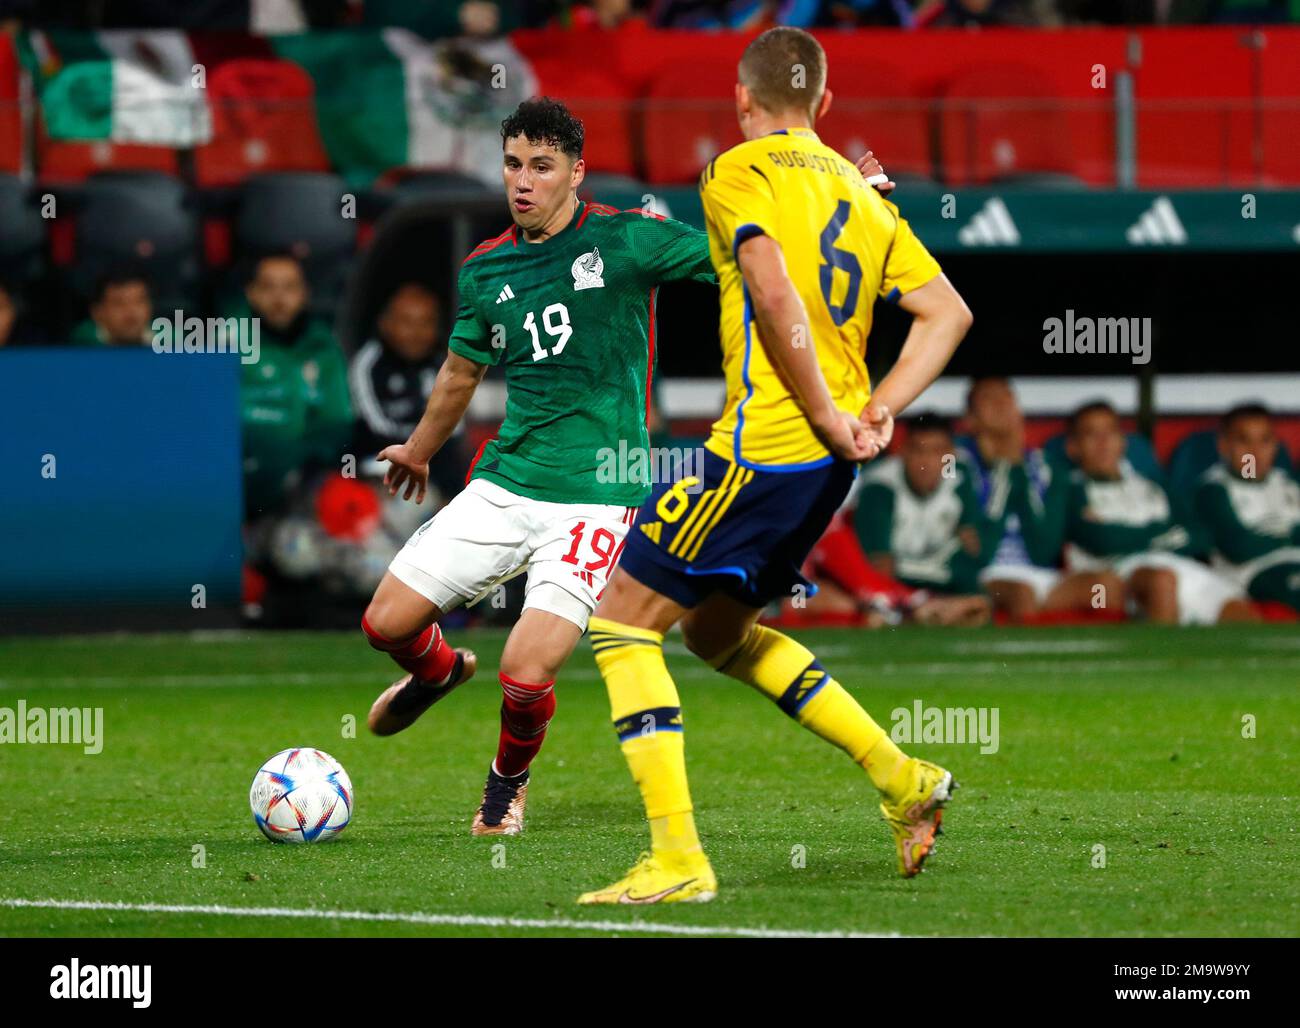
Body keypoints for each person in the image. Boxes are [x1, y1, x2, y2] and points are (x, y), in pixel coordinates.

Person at [579, 27, 972, 905]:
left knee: (618, 623)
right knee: (714, 634)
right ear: (825, 105)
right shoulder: (868, 198)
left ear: (740, 97)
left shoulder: (737, 170)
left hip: (766, 445)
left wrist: (832, 414)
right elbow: (947, 315)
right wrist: (877, 408)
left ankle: (678, 860)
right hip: (826, 464)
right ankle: (904, 778)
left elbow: (771, 285)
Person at [1059, 401, 1256, 624]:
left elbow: (1200, 536)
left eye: (1111, 432)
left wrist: (1131, 535)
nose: (1104, 443)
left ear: (1123, 441)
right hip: (1113, 576)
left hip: (1178, 566)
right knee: (1161, 581)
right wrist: (1164, 534)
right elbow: (1102, 540)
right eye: (1091, 434)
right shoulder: (1070, 488)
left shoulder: (1152, 486)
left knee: (1238, 609)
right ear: (1073, 447)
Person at [957, 376, 1123, 620]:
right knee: (1023, 595)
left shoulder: (1046, 467)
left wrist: (1016, 469)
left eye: (1007, 398)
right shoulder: (957, 464)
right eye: (989, 399)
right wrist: (1005, 469)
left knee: (1105, 588)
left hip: (1041, 576)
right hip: (986, 577)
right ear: (970, 420)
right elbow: (980, 551)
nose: (1001, 405)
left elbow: (1043, 550)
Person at [234, 252, 353, 516]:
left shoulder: (324, 349)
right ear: (251, 293)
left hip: (304, 486)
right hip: (235, 482)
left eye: (289, 287)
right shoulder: (226, 345)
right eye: (268, 287)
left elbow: (336, 423)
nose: (279, 299)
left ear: (304, 294)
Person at [349, 283, 469, 507]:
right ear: (385, 324)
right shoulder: (368, 364)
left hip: (436, 466)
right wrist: (425, 441)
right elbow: (376, 428)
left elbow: (455, 427)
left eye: (426, 322)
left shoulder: (444, 365)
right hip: (380, 465)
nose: (416, 332)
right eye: (407, 322)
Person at [856, 412, 1000, 596]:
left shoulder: (958, 476)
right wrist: (948, 565)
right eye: (918, 450)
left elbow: (974, 555)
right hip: (890, 593)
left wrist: (901, 567)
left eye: (937, 451)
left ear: (950, 455)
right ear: (904, 452)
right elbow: (879, 568)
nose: (926, 462)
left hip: (931, 586)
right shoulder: (880, 488)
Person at [1195, 404, 1300, 612]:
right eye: (1244, 441)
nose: (1255, 452)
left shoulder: (1288, 484)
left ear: (1275, 445)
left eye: (1264, 441)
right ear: (1224, 446)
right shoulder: (1212, 490)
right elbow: (1240, 547)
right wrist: (1288, 535)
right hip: (1250, 575)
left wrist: (1272, 535)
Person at [70, 268, 153, 347]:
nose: (131, 311)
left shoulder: (163, 341)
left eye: (139, 301)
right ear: (97, 312)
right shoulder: (82, 345)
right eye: (119, 303)